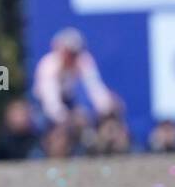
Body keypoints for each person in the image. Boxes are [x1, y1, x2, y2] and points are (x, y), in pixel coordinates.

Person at [32, 28, 118, 158]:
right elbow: (51, 103)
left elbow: (95, 88)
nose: (72, 57)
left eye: (75, 53)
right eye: (69, 53)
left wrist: (106, 108)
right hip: (43, 107)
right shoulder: (48, 66)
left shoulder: (83, 60)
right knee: (60, 134)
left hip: (68, 102)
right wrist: (69, 119)